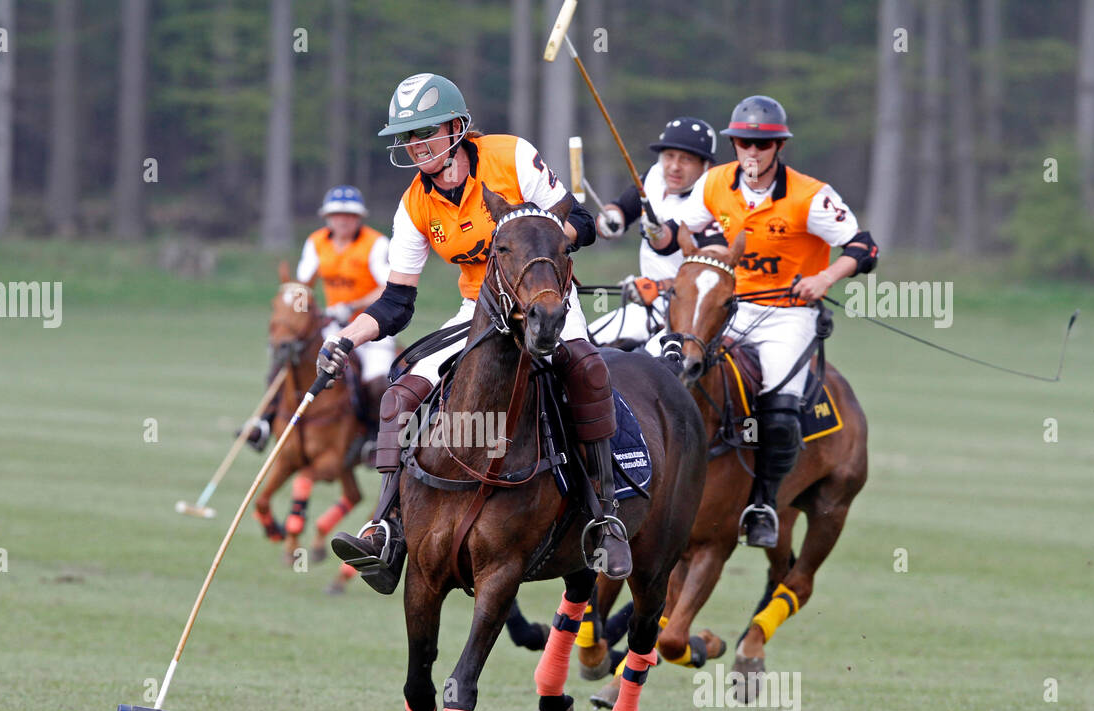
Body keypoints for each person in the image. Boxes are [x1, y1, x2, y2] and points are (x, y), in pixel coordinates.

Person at [314, 72, 629, 595]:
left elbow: (583, 222)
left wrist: (541, 242)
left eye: (426, 132)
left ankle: (606, 516)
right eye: (407, 137)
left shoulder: (512, 157)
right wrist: (345, 338)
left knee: (588, 371)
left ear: (457, 128)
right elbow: (396, 302)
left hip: (545, 297)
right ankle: (386, 529)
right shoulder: (415, 204)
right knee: (400, 394)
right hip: (478, 309)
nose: (416, 145)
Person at [670, 94, 878, 548]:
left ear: (779, 147)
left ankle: (763, 504)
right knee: (664, 372)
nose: (751, 152)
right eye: (743, 142)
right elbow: (682, 229)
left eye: (761, 145)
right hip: (732, 307)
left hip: (788, 315)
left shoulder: (810, 196)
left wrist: (825, 278)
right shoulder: (715, 183)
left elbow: (865, 248)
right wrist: (660, 231)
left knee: (780, 412)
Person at [245, 185, 394, 456]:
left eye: (349, 215)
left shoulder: (375, 243)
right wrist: (298, 316)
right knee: (288, 358)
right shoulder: (316, 242)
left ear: (359, 218)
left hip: (374, 328)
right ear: (327, 217)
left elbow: (389, 287)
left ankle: (373, 438)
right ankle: (264, 422)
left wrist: (352, 305)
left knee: (376, 380)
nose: (342, 220)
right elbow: (304, 287)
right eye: (337, 215)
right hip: (334, 325)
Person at [590, 116, 722, 349]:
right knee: (583, 346)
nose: (674, 166)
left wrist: (659, 287)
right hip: (647, 303)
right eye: (669, 156)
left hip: (691, 312)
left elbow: (712, 278)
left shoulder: (714, 202)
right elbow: (622, 207)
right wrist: (610, 219)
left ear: (706, 166)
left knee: (647, 362)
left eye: (686, 159)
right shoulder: (653, 178)